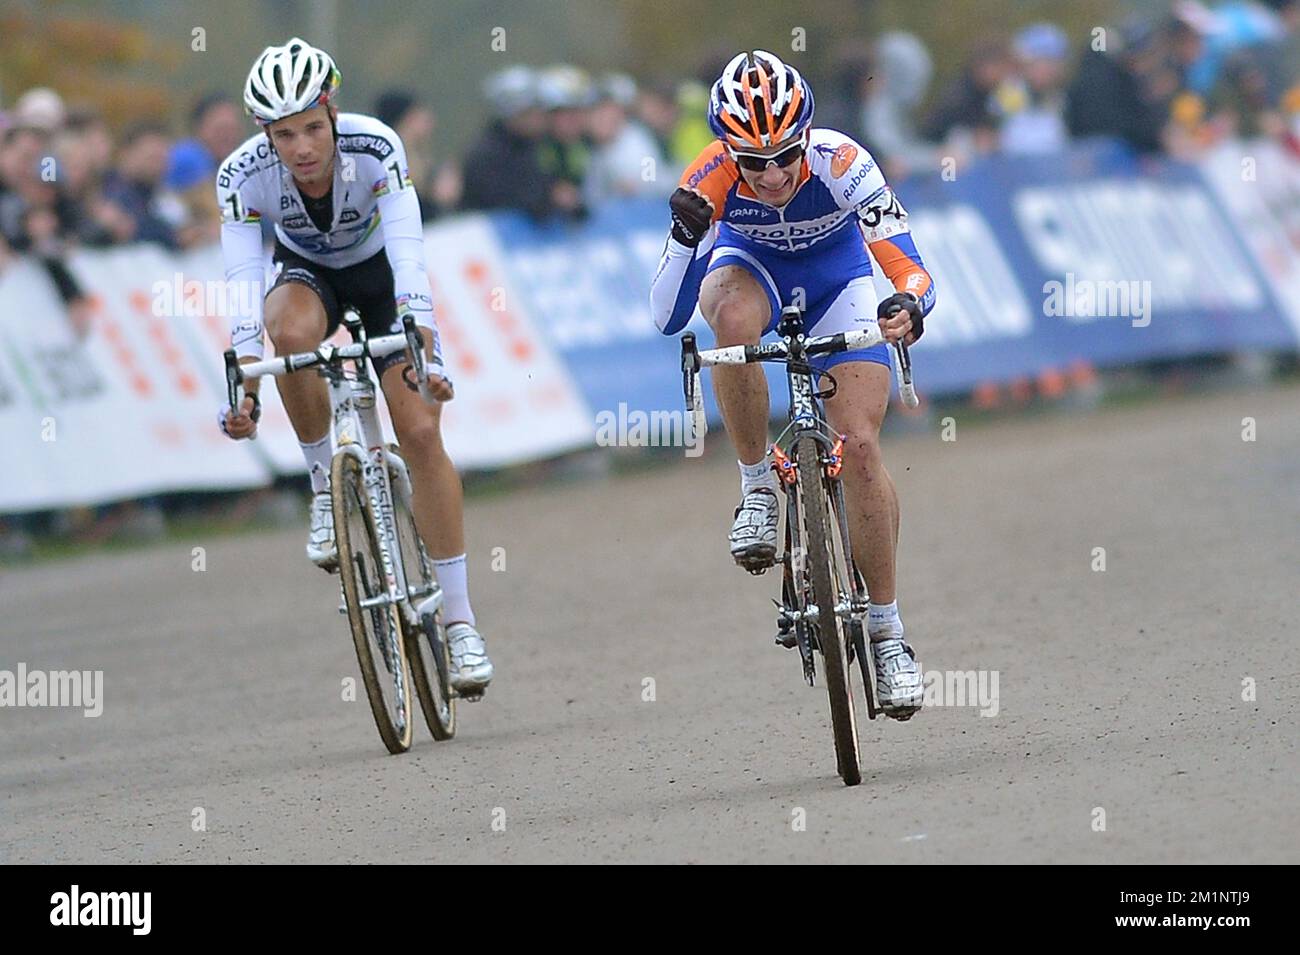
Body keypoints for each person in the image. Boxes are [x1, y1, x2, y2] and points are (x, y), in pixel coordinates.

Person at [649, 51, 936, 719]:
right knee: (730, 318)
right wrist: (686, 238)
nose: (773, 174)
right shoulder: (707, 178)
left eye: (785, 154)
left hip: (841, 284)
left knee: (860, 446)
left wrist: (908, 305)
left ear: (807, 135)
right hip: (752, 273)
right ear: (728, 150)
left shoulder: (843, 162)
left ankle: (889, 633)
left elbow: (909, 266)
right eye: (754, 161)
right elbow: (666, 316)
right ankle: (756, 486)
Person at [216, 38, 492, 694]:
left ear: (332, 111)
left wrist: (420, 334)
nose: (303, 147)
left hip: (383, 281)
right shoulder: (240, 174)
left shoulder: (375, 146)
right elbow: (241, 278)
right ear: (266, 134)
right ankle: (322, 488)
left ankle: (459, 621)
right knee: (287, 332)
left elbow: (408, 248)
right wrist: (244, 375)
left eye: (313, 127)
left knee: (421, 433)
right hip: (307, 279)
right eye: (285, 135)